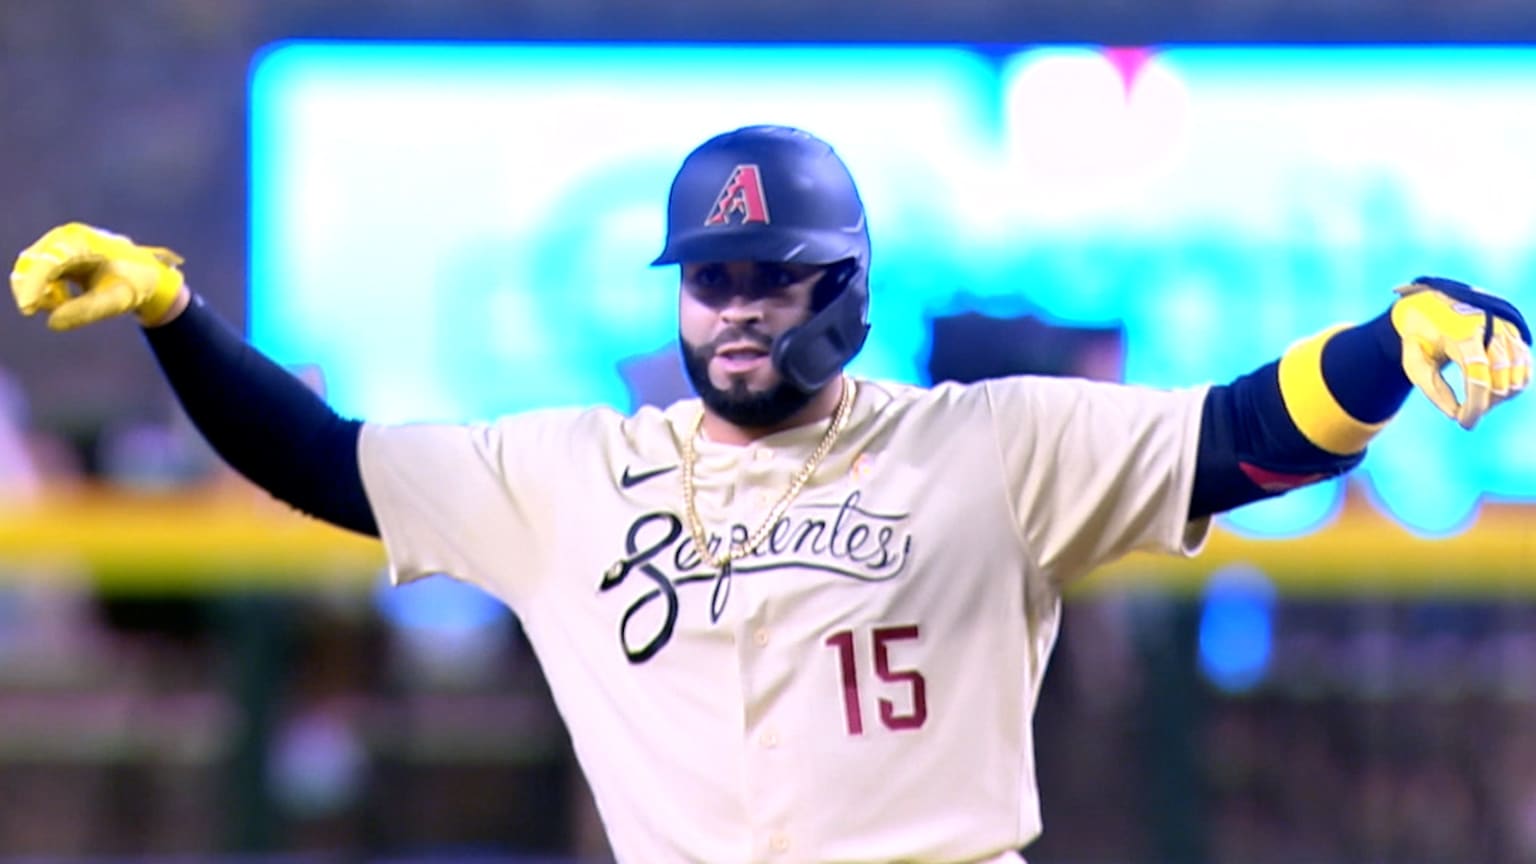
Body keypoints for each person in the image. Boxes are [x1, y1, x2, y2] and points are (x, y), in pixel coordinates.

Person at [9, 124, 1531, 863]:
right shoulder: (574, 473)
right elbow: (323, 462)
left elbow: (1249, 437)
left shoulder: (988, 441)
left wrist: (1396, 339)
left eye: (772, 277)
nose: (736, 309)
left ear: (850, 289)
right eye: (710, 279)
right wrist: (175, 321)